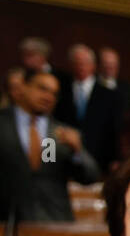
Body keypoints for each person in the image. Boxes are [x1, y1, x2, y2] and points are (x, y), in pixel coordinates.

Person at [0, 69, 100, 223]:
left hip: (53, 221)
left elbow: (89, 178)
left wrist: (77, 152)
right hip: (7, 221)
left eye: (54, 94)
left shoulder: (58, 134)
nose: (48, 97)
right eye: (42, 89)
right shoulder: (3, 123)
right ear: (24, 87)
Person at [54, 44, 119, 175]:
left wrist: (115, 159)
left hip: (97, 160)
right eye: (77, 63)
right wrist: (47, 159)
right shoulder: (59, 91)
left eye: (85, 63)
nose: (81, 66)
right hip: (62, 160)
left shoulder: (109, 94)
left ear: (94, 65)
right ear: (71, 65)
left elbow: (113, 130)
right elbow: (51, 127)